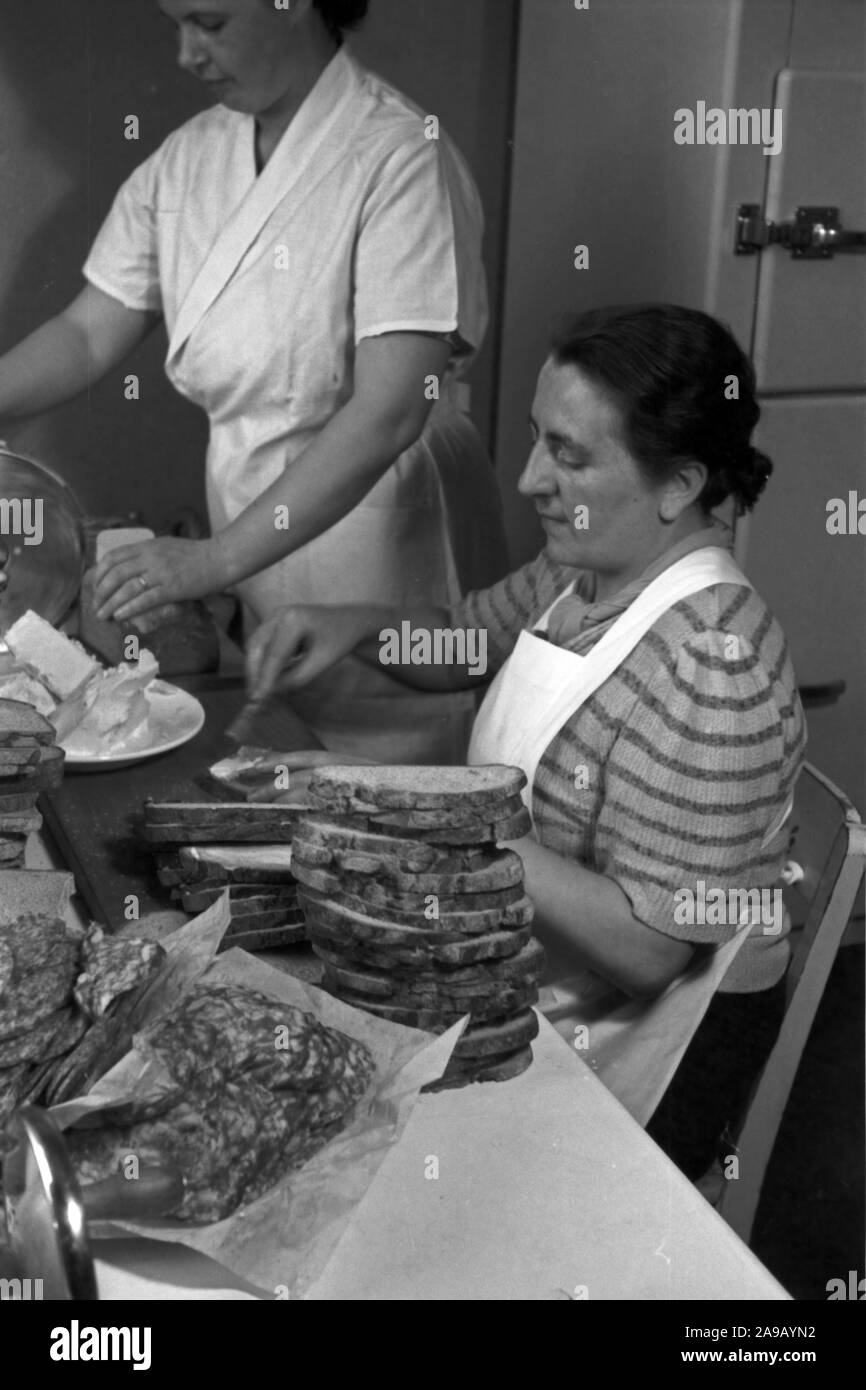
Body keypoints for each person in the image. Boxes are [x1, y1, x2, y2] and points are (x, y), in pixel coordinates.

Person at [244, 304, 808, 1179]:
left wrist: (426, 810)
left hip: (644, 1061)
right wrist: (350, 625)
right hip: (535, 977)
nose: (530, 480)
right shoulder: (583, 565)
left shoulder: (711, 667)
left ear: (679, 484)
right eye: (540, 440)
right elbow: (468, 641)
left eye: (570, 455)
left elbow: (651, 950)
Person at [0, 0, 507, 762]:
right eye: (175, 23)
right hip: (253, 545)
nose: (185, 54)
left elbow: (391, 408)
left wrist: (211, 561)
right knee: (275, 781)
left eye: (211, 23)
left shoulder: (400, 155)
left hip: (373, 539)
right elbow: (85, 331)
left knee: (391, 807)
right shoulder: (187, 160)